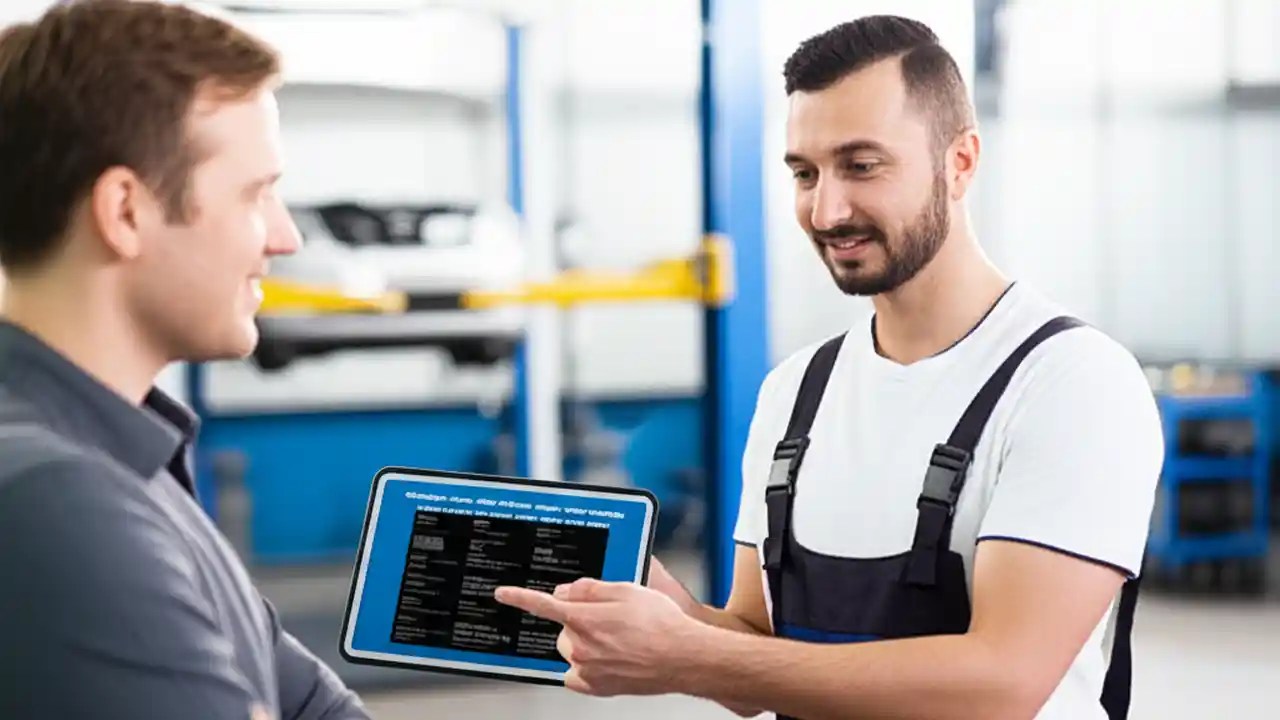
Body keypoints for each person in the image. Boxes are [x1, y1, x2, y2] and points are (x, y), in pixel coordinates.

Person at [495, 14, 1164, 720]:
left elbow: (999, 684)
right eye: (804, 173)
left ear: (960, 161)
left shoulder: (1071, 384)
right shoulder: (795, 396)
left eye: (861, 165)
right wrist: (675, 614)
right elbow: (757, 646)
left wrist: (689, 653)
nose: (826, 209)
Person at [0, 2, 369, 718]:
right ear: (126, 212)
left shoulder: (120, 458)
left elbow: (309, 708)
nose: (285, 236)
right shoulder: (56, 503)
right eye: (256, 194)